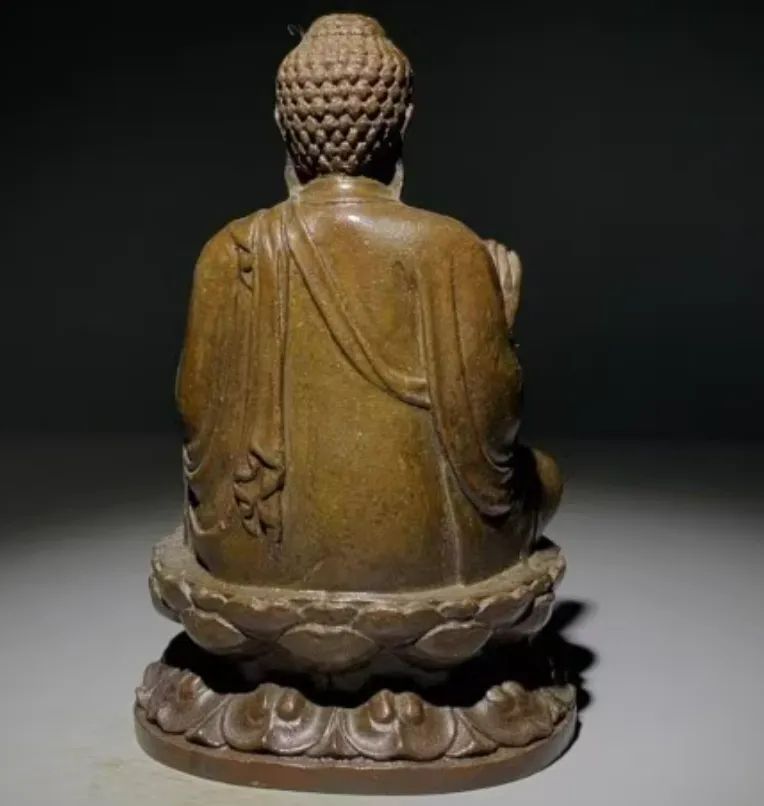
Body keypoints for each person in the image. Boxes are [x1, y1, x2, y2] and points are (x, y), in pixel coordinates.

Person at [176, 14, 561, 592]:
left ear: (282, 122)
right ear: (404, 120)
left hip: (258, 557)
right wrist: (500, 325)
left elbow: (193, 415)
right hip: (419, 559)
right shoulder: (448, 247)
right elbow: (494, 429)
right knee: (546, 478)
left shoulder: (229, 250)